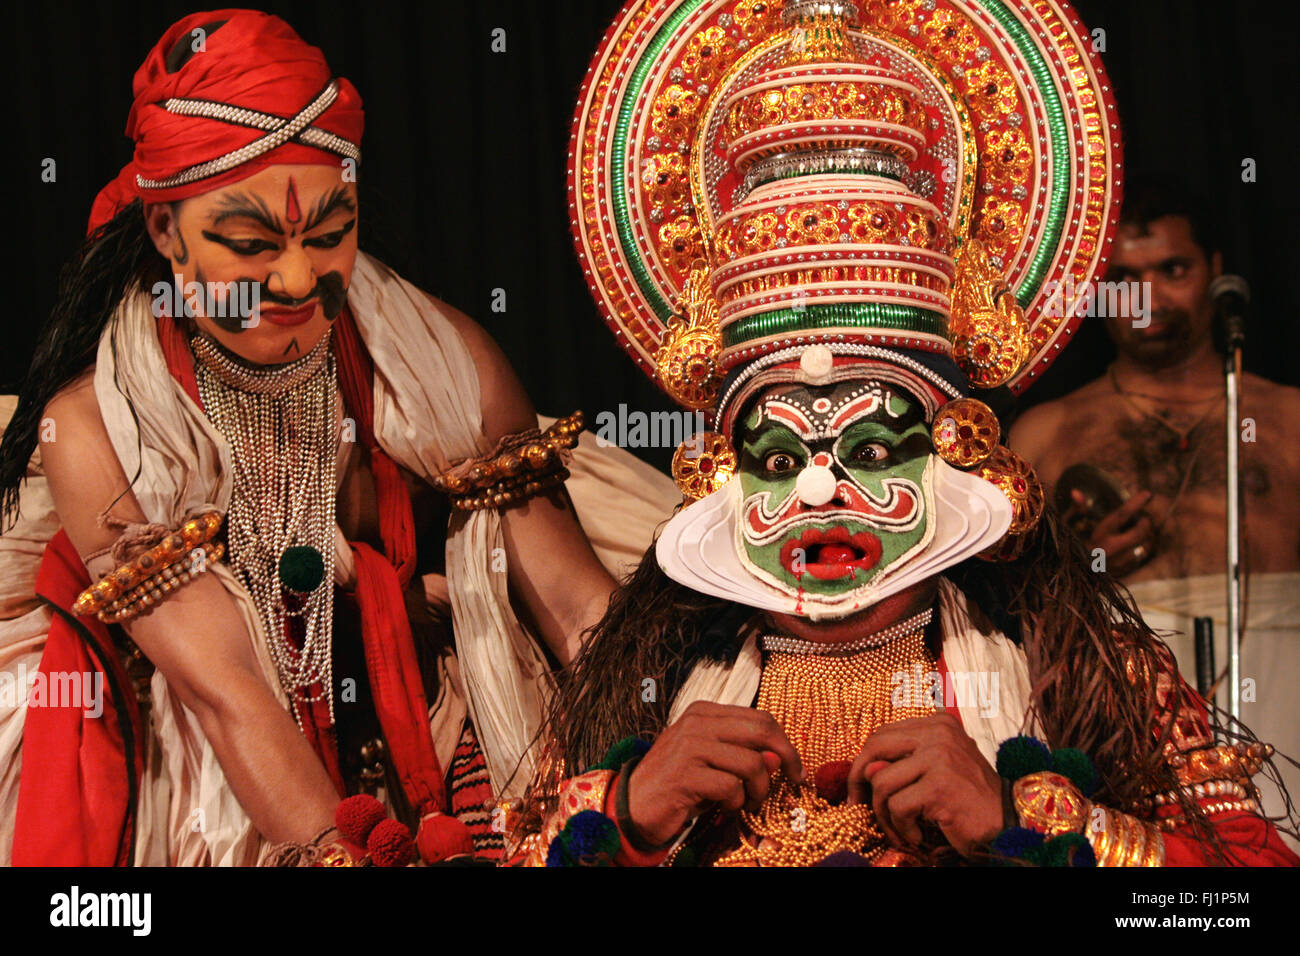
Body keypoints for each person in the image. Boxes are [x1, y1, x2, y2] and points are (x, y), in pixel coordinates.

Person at [507, 0, 1298, 866]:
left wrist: (1018, 819)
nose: (817, 489)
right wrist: (626, 812)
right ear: (721, 480)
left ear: (956, 453)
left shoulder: (1070, 665)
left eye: (873, 450)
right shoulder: (651, 681)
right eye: (777, 460)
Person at [0, 9, 676, 866]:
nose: (294, 280)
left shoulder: (443, 364)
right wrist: (339, 854)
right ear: (166, 231)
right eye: (248, 243)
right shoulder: (101, 427)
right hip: (213, 748)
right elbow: (227, 692)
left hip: (441, 704)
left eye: (328, 234)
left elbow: (580, 612)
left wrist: (651, 779)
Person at [1009, 175, 1300, 838]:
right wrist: (1079, 568)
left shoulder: (1287, 418)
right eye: (1124, 276)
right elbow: (997, 611)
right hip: (1128, 715)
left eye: (1173, 269)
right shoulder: (1047, 431)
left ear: (1215, 270)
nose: (1148, 297)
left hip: (1286, 688)